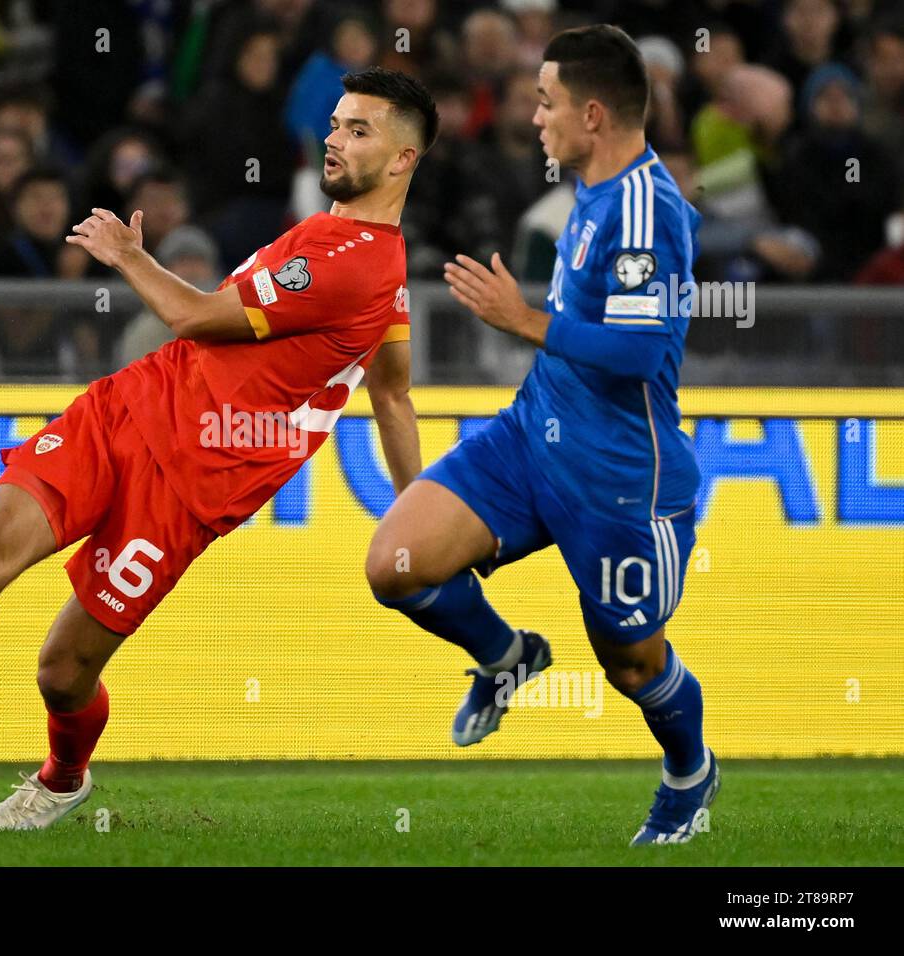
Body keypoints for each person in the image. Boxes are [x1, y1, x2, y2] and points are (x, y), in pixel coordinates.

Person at [0, 67, 434, 830]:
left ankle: (64, 780)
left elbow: (193, 314)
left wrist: (129, 254)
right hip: (131, 408)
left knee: (62, 675)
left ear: (401, 161)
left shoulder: (355, 260)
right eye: (335, 121)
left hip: (192, 488)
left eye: (359, 130)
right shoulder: (363, 257)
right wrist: (420, 510)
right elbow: (389, 392)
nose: (333, 137)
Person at [367, 25, 717, 846]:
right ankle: (506, 656)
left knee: (631, 663)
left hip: (618, 478)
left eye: (547, 102)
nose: (535, 119)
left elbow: (637, 351)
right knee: (398, 565)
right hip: (533, 437)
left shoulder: (645, 209)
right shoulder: (593, 194)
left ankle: (688, 774)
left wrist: (520, 317)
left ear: (592, 114)